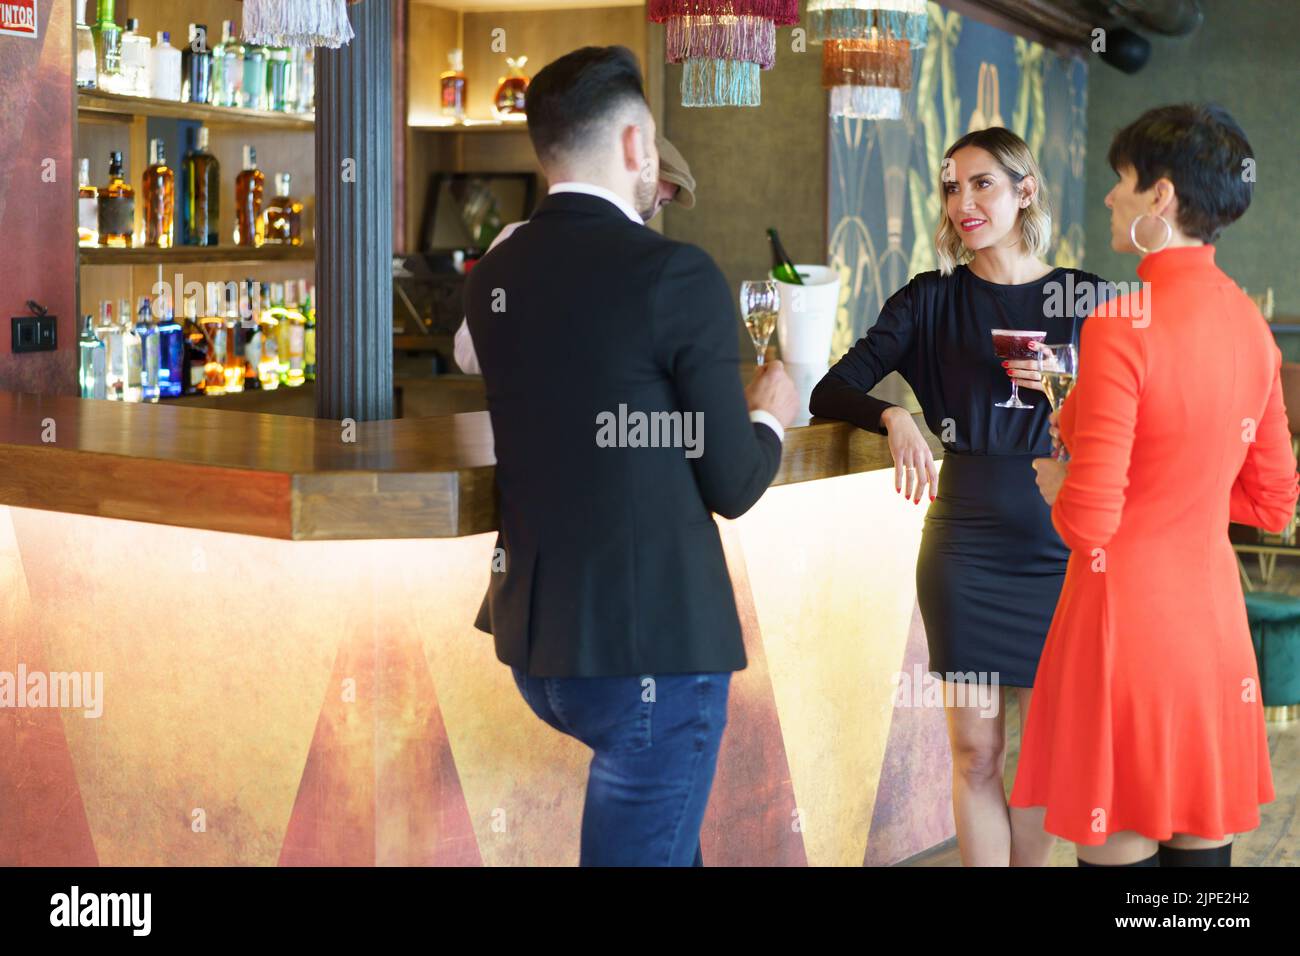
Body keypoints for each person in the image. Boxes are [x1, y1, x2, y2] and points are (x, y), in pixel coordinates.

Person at [463, 45, 799, 867]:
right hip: (651, 654)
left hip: (542, 653)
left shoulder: (494, 275)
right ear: (634, 145)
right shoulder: (675, 274)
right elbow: (733, 482)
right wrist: (773, 414)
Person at [809, 127, 1108, 866]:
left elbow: (1141, 412)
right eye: (951, 186)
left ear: (1023, 189)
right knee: (976, 748)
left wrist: (1068, 394)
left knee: (1041, 755)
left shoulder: (1086, 295)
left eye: (982, 183)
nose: (964, 201)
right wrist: (894, 414)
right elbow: (829, 388)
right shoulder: (930, 302)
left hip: (1061, 544)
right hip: (964, 550)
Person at [1013, 104, 1299, 866]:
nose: (1111, 196)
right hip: (1211, 635)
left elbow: (1088, 525)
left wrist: (1062, 483)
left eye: (1123, 181)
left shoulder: (1119, 324)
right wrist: (1184, 494)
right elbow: (1273, 503)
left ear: (1161, 199)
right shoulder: (1250, 326)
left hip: (1124, 629)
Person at [453, 135, 697, 375]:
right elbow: (467, 353)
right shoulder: (514, 242)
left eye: (661, 203)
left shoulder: (655, 266)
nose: (649, 212)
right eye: (648, 195)